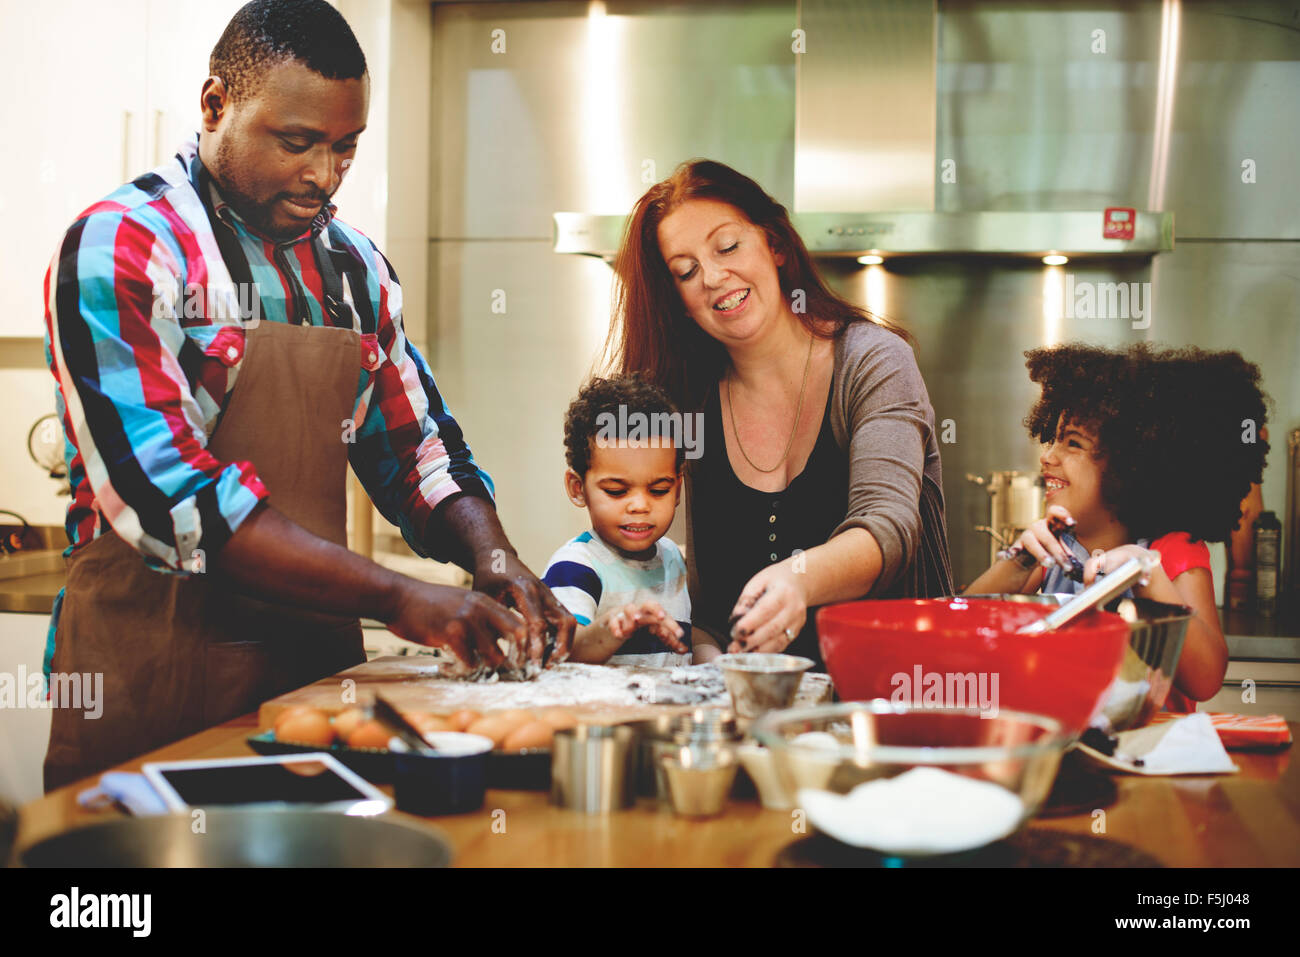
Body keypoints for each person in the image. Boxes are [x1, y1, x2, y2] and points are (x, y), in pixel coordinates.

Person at [40, 0, 572, 791]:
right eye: (298, 143)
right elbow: (176, 503)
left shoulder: (353, 270)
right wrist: (400, 596)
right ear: (216, 105)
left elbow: (417, 450)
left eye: (346, 149)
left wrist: (494, 558)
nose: (325, 176)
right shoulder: (125, 246)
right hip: (151, 674)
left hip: (315, 679)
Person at [608, 160, 953, 668]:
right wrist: (710, 666)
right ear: (678, 300)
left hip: (889, 706)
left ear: (775, 246)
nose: (714, 276)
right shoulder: (692, 403)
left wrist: (797, 578)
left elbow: (889, 528)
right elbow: (707, 612)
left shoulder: (874, 361)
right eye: (686, 271)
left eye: (728, 247)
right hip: (753, 722)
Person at [964, 343, 1270, 706]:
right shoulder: (1054, 548)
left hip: (1154, 752)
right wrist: (1019, 559)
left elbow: (1205, 679)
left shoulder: (1171, 551)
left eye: (1072, 443)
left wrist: (1145, 576)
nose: (1048, 457)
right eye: (1052, 440)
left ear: (1130, 465)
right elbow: (963, 632)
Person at [542, 375, 692, 667]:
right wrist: (615, 628)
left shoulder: (674, 559)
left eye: (658, 490)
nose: (639, 505)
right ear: (577, 488)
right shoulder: (575, 567)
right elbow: (561, 652)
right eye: (616, 491)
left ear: (677, 489)